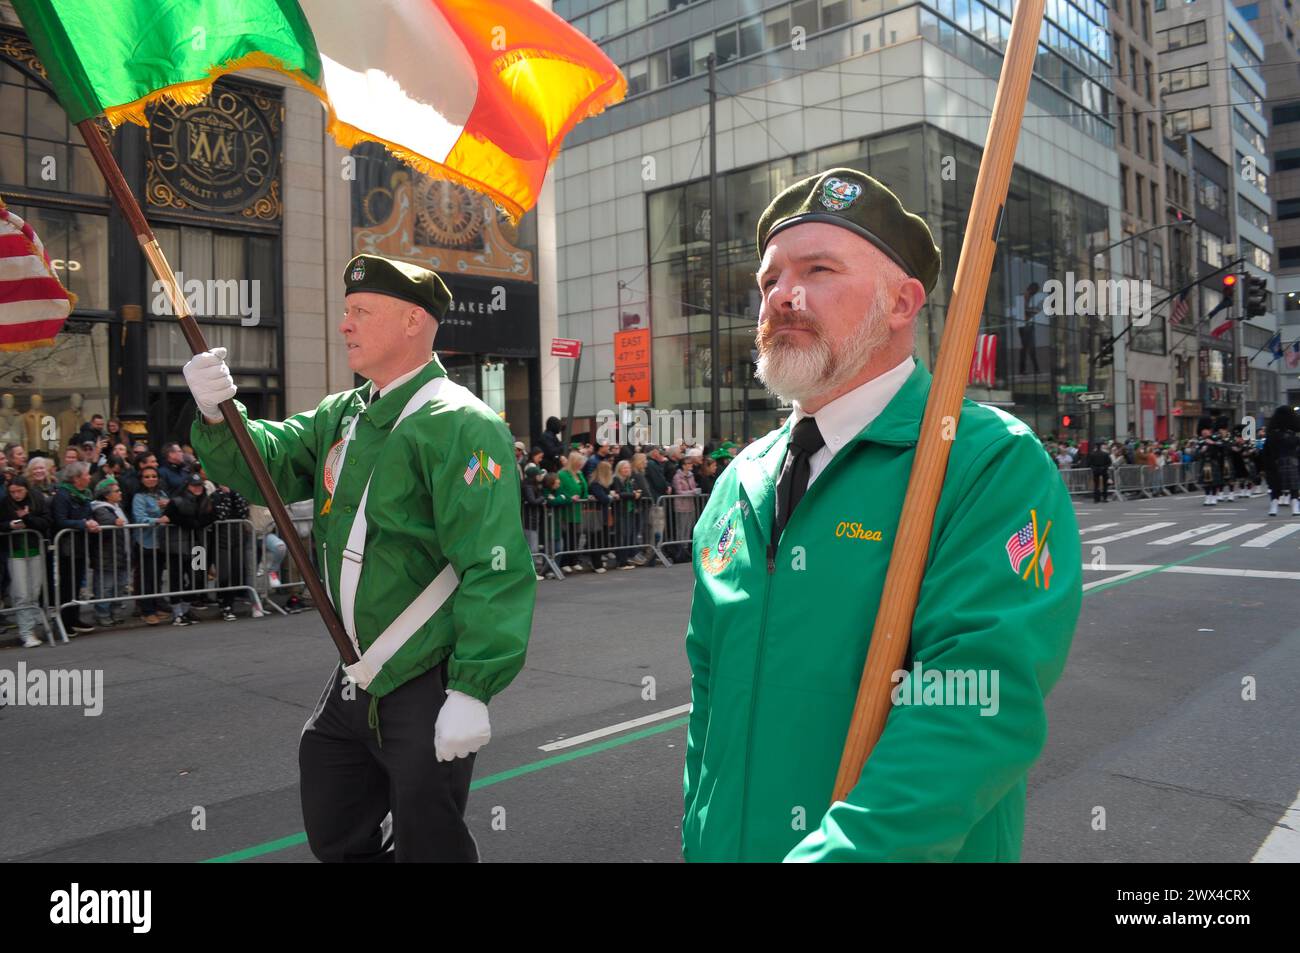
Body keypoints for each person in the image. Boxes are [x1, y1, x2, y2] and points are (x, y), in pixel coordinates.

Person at [682, 168, 1081, 862]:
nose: (783, 296)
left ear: (902, 303)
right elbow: (707, 706)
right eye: (769, 280)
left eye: (818, 269)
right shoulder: (738, 482)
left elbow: (975, 704)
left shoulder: (988, 465)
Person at [185, 253, 535, 863]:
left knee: (431, 845)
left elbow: (494, 562)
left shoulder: (461, 424)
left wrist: (474, 689)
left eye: (361, 312)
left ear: (412, 323)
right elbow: (265, 464)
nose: (344, 324)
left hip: (425, 674)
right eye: (346, 312)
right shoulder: (343, 414)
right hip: (358, 668)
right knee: (333, 813)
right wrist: (221, 413)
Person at [0, 476, 52, 647]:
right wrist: (10, 526)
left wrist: (27, 517)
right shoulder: (4, 502)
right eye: (12, 492)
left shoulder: (37, 498)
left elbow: (46, 522)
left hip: (36, 549)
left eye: (19, 491)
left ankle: (33, 624)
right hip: (15, 552)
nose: (16, 495)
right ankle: (26, 632)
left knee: (34, 591)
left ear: (26, 489)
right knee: (21, 593)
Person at [50, 461, 99, 636]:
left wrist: (91, 522)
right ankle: (64, 621)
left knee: (77, 582)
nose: (89, 477)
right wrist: (83, 523)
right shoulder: (62, 495)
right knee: (67, 584)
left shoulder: (84, 494)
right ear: (77, 478)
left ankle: (74, 617)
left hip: (80, 545)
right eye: (86, 474)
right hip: (66, 546)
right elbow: (60, 520)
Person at [164, 472, 214, 626]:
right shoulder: (176, 501)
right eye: (194, 485)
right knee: (176, 579)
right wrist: (192, 522)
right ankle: (177, 612)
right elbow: (171, 516)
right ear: (187, 486)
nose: (197, 488)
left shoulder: (207, 501)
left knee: (197, 578)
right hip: (178, 546)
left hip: (198, 546)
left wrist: (195, 522)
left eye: (199, 485)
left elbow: (211, 517)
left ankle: (186, 609)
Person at [131, 466, 171, 625]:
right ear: (141, 479)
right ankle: (147, 610)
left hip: (160, 541)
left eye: (154, 476)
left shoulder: (162, 494)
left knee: (157, 577)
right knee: (146, 578)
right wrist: (157, 520)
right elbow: (140, 518)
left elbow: (170, 512)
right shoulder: (139, 497)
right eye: (147, 476)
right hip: (145, 542)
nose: (151, 479)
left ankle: (155, 606)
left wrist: (168, 505)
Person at [88, 477, 130, 627]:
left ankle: (116, 611)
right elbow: (107, 521)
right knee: (105, 586)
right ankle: (103, 613)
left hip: (120, 553)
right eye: (116, 491)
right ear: (106, 494)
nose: (120, 493)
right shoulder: (100, 508)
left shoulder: (117, 506)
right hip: (106, 555)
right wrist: (114, 521)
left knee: (120, 585)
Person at [1262, 405, 1300, 516]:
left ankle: (1273, 508)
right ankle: (1295, 507)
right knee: (1294, 487)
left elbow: (1266, 451)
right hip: (1292, 461)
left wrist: (1265, 465)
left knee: (1275, 486)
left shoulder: (1272, 434)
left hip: (1276, 462)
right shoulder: (1294, 435)